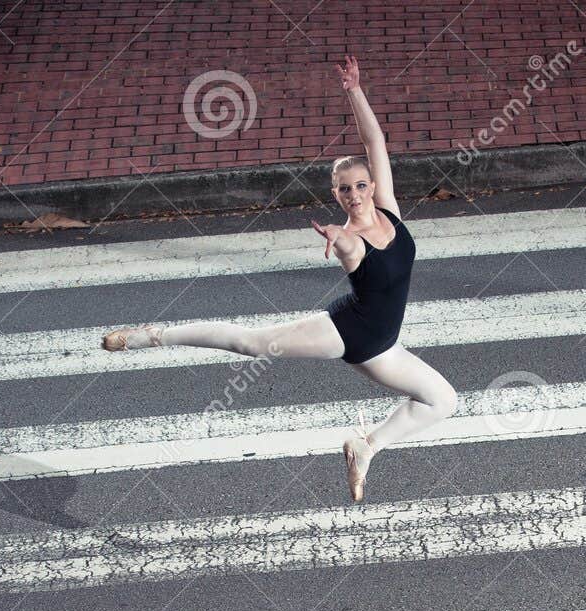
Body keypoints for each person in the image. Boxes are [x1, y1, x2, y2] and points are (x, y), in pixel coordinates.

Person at [102, 54, 458, 502]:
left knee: (443, 401)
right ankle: (151, 336)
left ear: (372, 185)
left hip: (386, 348)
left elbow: (375, 142)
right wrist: (335, 235)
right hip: (349, 333)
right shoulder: (350, 239)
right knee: (251, 342)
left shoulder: (389, 208)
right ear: (336, 195)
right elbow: (346, 245)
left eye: (360, 185)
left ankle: (364, 446)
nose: (354, 194)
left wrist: (354, 91)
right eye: (344, 189)